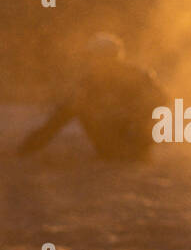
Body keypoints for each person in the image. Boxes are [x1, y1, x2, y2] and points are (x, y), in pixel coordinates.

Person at [16, 32, 165, 161]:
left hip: (133, 143)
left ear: (108, 58)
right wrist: (30, 145)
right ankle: (124, 150)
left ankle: (132, 150)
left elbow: (162, 100)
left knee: (81, 104)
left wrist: (131, 114)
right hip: (115, 148)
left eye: (94, 57)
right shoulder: (90, 84)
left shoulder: (136, 77)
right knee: (78, 104)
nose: (91, 62)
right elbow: (59, 118)